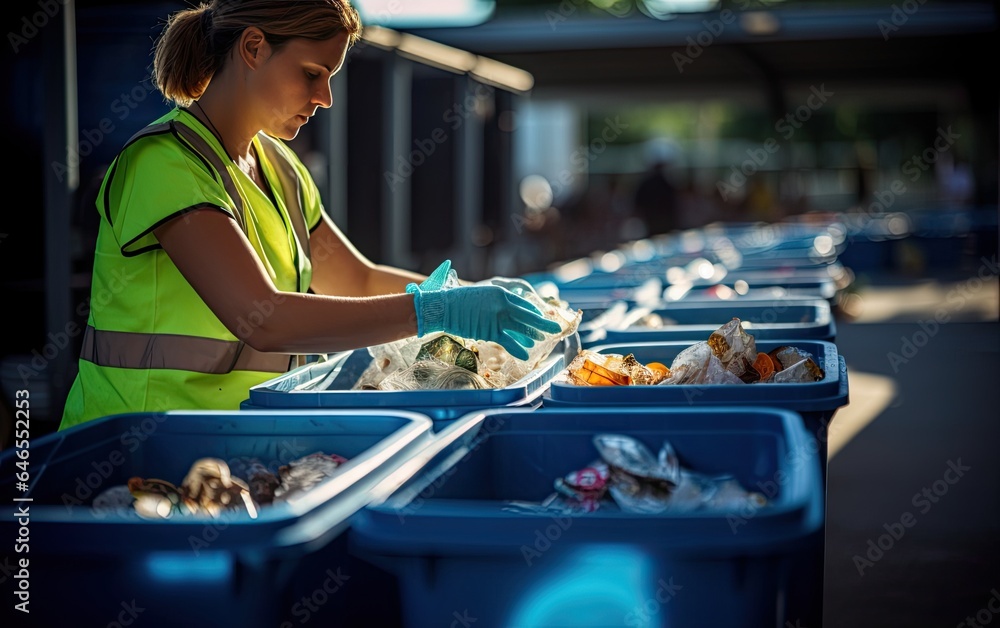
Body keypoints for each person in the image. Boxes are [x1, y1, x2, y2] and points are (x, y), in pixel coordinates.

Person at [59, 0, 559, 430]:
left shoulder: (278, 165)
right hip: (135, 448)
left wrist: (468, 296)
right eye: (312, 74)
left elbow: (357, 279)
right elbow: (265, 320)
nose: (325, 98)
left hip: (232, 440)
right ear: (253, 48)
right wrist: (433, 311)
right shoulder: (163, 164)